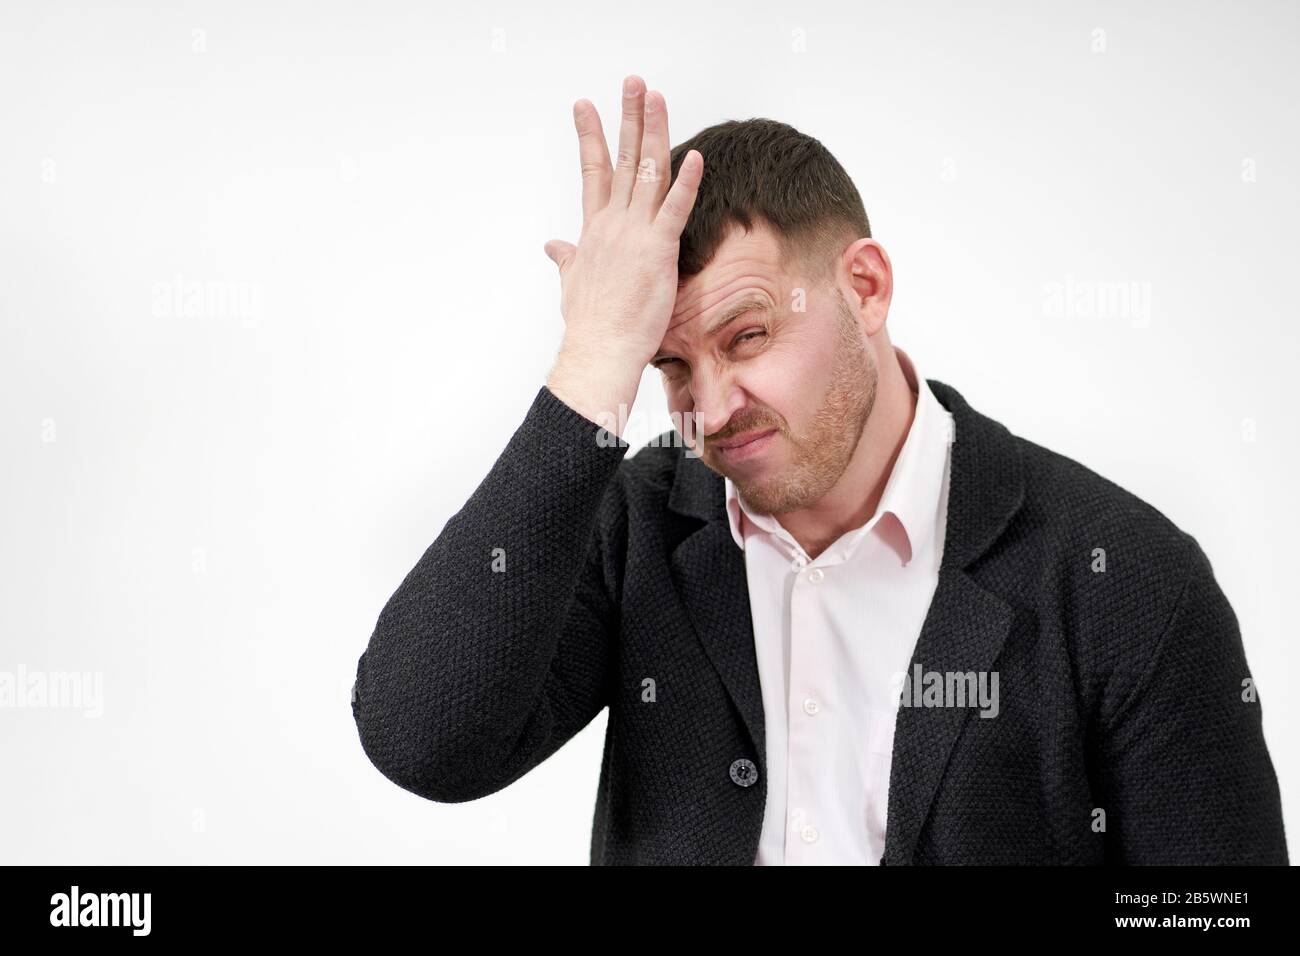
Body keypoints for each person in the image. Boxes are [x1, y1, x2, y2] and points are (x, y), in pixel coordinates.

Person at [351, 74, 1288, 865]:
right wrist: (593, 362)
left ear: (865, 287)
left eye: (748, 335)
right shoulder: (647, 522)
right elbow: (423, 741)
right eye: (671, 366)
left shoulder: (1123, 575)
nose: (710, 411)